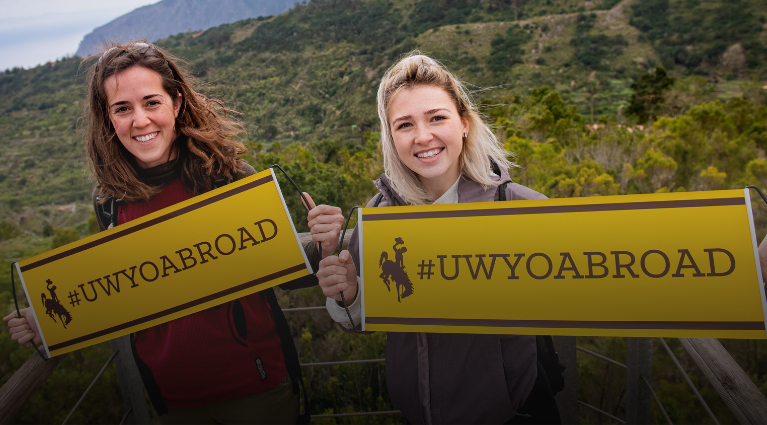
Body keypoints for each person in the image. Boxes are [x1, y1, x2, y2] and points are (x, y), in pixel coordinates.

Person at [3, 41, 344, 424]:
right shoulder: (110, 202)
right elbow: (119, 291)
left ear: (176, 103)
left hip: (257, 388)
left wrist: (325, 245)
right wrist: (48, 322)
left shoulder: (226, 178)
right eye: (123, 109)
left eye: (151, 102)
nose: (140, 120)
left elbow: (284, 273)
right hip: (174, 401)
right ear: (108, 119)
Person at [315, 53, 561, 424]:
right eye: (405, 125)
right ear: (391, 138)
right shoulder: (379, 216)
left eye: (437, 118)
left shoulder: (521, 209)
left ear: (464, 123)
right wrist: (349, 294)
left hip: (513, 413)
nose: (423, 136)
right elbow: (366, 317)